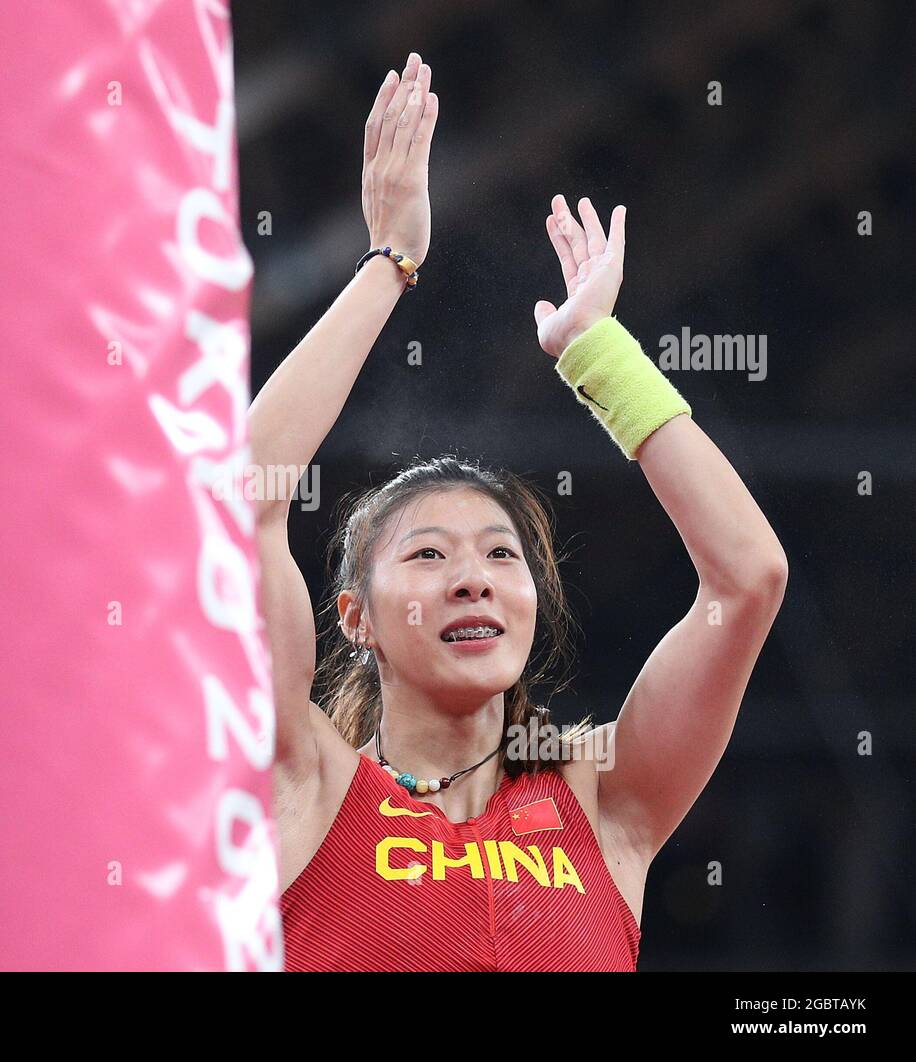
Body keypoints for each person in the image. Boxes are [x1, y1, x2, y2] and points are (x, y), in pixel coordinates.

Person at [248, 52, 789, 972]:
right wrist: (389, 261)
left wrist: (599, 355)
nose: (473, 577)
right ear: (356, 617)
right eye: (426, 556)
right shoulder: (301, 785)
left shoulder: (605, 802)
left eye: (502, 556)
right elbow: (243, 496)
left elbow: (747, 581)